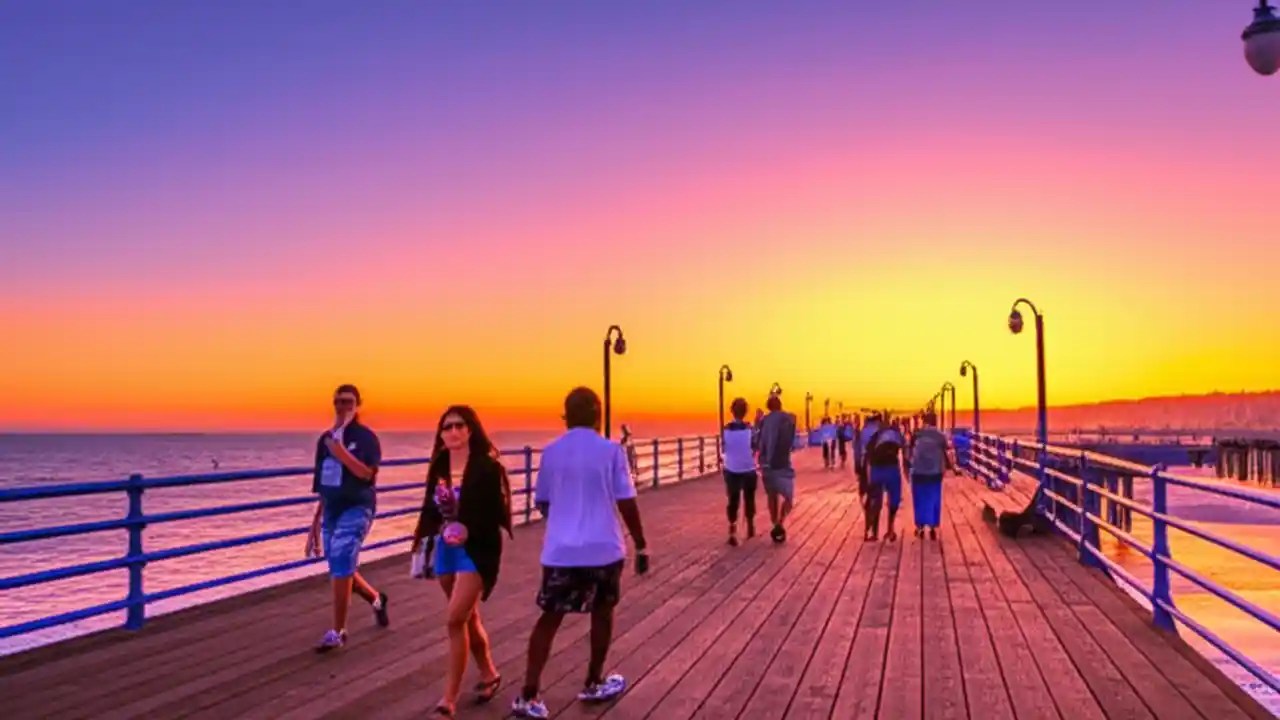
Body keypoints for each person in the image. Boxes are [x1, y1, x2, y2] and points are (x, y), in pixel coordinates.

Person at [513, 387, 649, 719]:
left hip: (561, 550)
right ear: (598, 415)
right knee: (602, 612)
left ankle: (529, 695)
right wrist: (642, 543)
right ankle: (593, 681)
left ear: (566, 416)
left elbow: (543, 501)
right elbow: (626, 501)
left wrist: (565, 519)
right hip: (604, 548)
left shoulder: (551, 453)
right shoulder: (611, 452)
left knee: (550, 617)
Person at [413, 406, 513, 716]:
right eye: (447, 427)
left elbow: (496, 513)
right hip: (446, 548)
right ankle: (489, 673)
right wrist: (421, 538)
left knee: (455, 619)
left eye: (459, 425)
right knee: (469, 617)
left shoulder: (487, 467)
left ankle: (448, 700)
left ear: (471, 429)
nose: (453, 431)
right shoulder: (440, 466)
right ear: (440, 434)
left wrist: (468, 527)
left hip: (477, 550)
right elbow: (429, 509)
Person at [306, 384, 389, 652]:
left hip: (358, 506)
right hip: (332, 509)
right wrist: (314, 525)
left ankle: (338, 632)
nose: (343, 407)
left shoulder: (366, 438)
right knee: (341, 567)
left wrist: (342, 454)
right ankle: (377, 599)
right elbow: (323, 484)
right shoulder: (325, 440)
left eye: (348, 401)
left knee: (341, 559)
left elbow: (368, 475)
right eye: (338, 402)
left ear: (358, 404)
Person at [758, 394, 797, 543]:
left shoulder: (764, 421)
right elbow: (792, 430)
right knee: (788, 498)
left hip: (767, 465)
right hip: (782, 465)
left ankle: (776, 524)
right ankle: (780, 522)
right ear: (780, 405)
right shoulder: (788, 418)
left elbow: (758, 441)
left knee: (772, 496)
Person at [907, 411, 952, 540]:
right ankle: (932, 527)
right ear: (935, 421)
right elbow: (947, 449)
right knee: (933, 498)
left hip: (918, 471)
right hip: (934, 472)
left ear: (924, 421)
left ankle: (920, 526)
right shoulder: (940, 435)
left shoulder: (917, 434)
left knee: (919, 499)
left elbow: (910, 450)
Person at [863, 415, 906, 542]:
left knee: (875, 501)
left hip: (877, 469)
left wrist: (864, 476)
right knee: (894, 500)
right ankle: (891, 529)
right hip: (892, 469)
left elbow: (868, 455)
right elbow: (904, 447)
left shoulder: (874, 436)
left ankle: (872, 532)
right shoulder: (895, 434)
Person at [721, 398, 758, 546]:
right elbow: (755, 446)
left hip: (731, 468)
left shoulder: (726, 429)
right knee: (749, 498)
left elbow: (723, 448)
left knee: (733, 500)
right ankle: (750, 526)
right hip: (748, 467)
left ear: (732, 411)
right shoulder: (751, 429)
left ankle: (732, 529)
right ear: (745, 412)